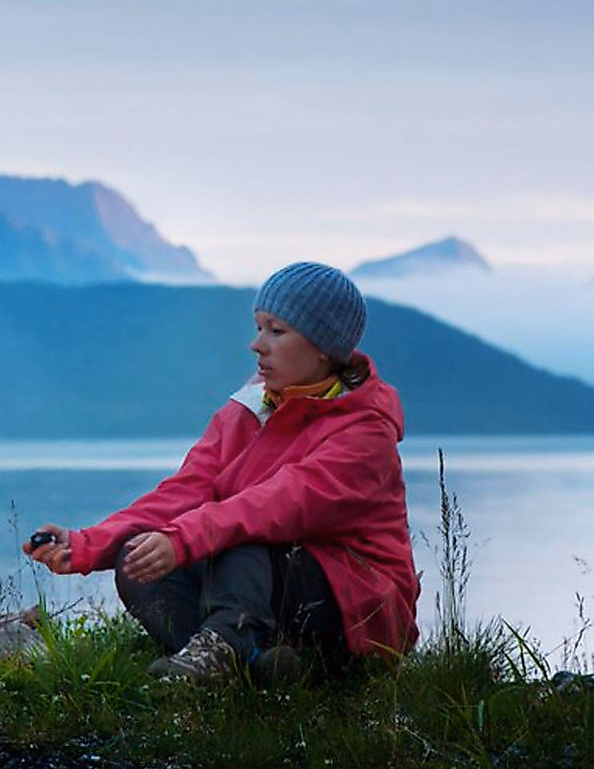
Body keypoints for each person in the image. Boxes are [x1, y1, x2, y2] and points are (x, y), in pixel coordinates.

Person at [24, 262, 419, 684]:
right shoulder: (255, 405)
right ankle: (248, 664)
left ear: (323, 346)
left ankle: (225, 650)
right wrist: (87, 544)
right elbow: (188, 489)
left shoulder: (364, 429)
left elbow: (278, 505)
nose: (257, 345)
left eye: (276, 331)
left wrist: (182, 539)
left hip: (354, 610)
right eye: (259, 327)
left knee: (239, 533)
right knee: (139, 557)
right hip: (266, 586)